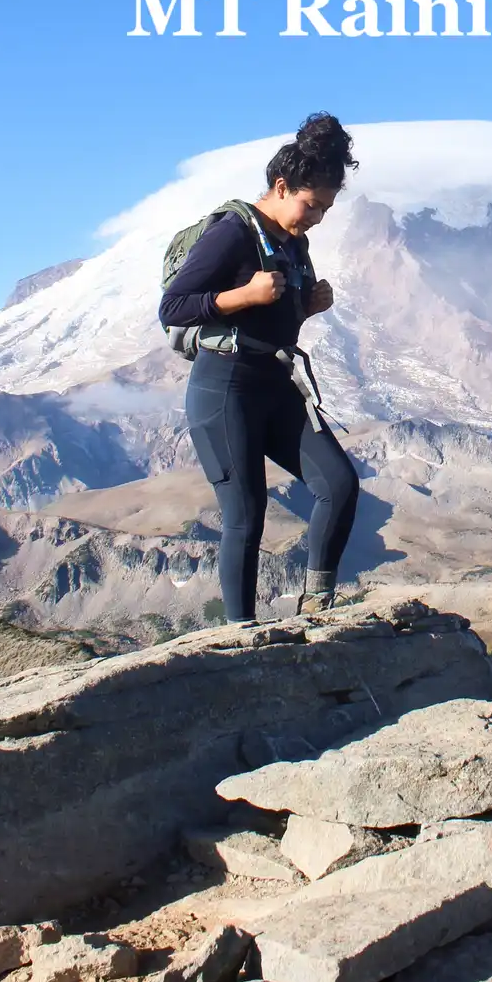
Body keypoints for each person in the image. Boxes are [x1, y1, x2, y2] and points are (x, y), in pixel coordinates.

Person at [158, 113, 360, 624]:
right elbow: (174, 306)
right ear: (281, 186)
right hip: (225, 386)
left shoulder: (295, 243)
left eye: (326, 208)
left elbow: (273, 317)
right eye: (312, 204)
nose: (317, 217)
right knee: (245, 516)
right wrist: (242, 295)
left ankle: (316, 607)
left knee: (338, 485)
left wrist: (307, 306)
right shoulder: (234, 232)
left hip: (275, 384)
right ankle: (238, 637)